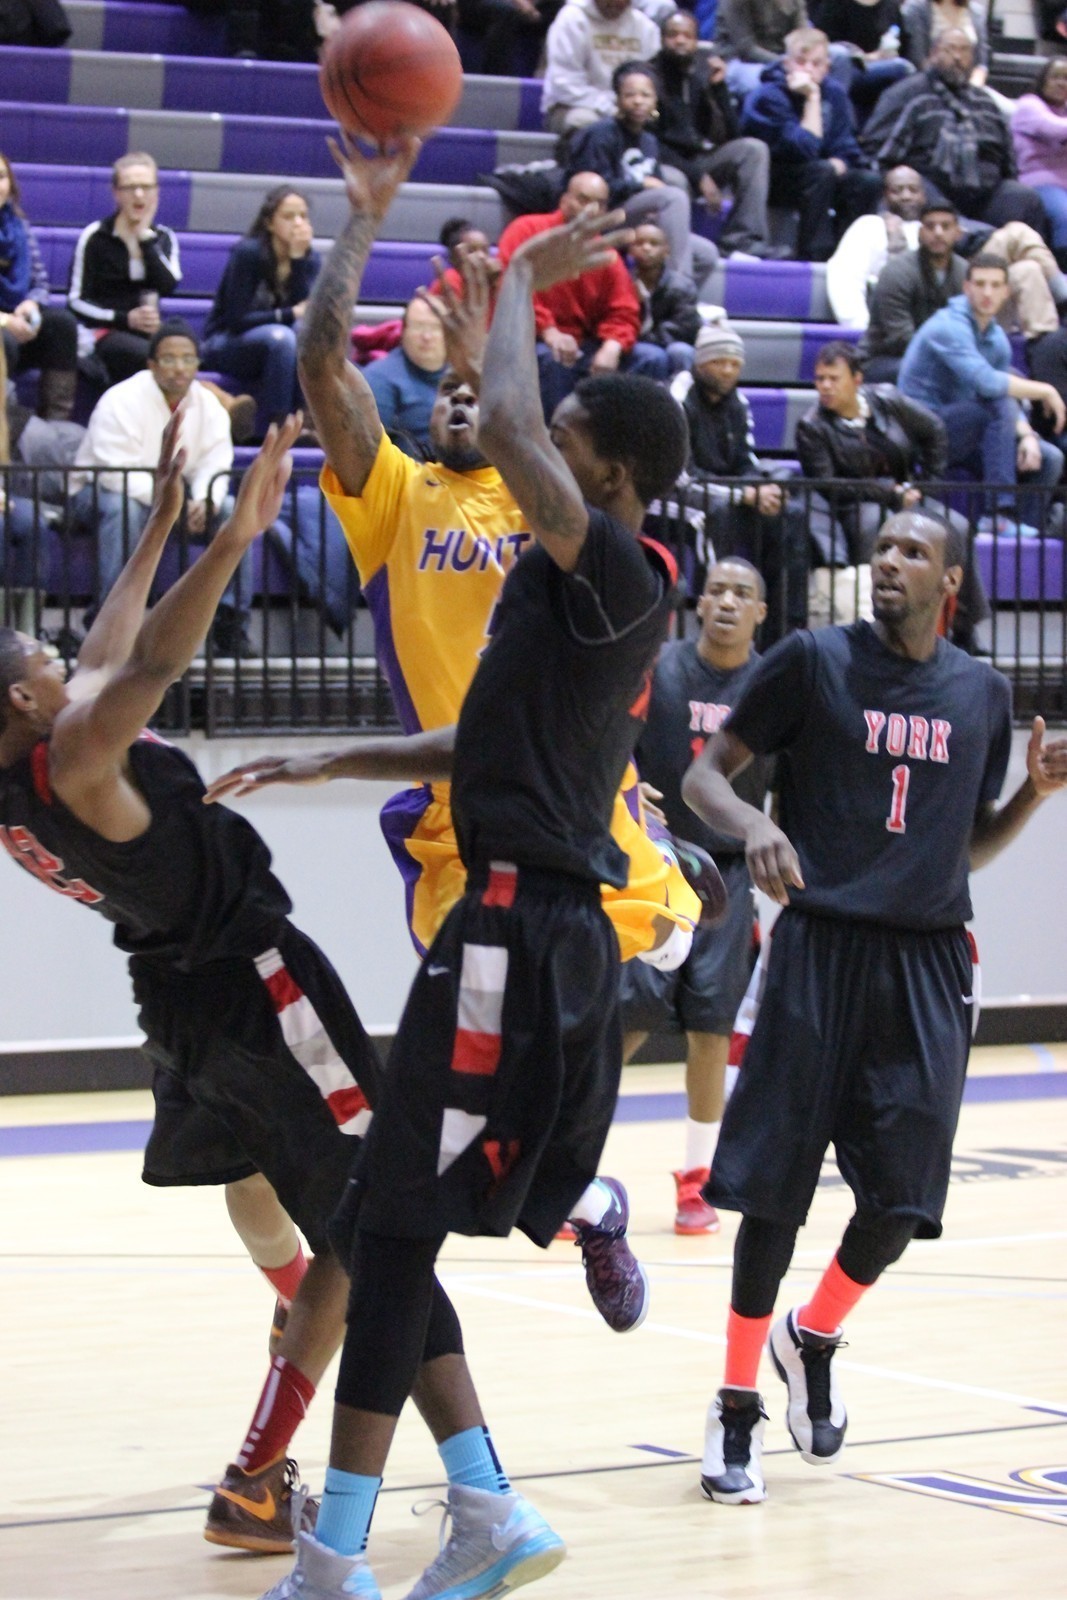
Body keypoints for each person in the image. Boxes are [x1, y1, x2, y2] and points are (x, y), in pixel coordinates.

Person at [250, 139, 693, 1600]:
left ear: (607, 477)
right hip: (508, 923)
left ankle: (345, 1549)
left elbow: (506, 414)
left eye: (563, 442)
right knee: (389, 1221)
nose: (528, 445)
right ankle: (455, 1516)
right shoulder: (553, 594)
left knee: (388, 1220)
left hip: (526, 929)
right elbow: (475, 745)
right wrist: (334, 762)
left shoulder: (617, 573)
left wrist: (506, 274)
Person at [0, 411, 391, 1554]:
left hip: (172, 997)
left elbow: (114, 648)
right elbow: (153, 664)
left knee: (253, 1174)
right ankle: (261, 1476)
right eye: (38, 660)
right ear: (28, 702)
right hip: (247, 975)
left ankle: (292, 1307)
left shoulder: (28, 771)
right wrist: (232, 544)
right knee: (368, 1209)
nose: (58, 655)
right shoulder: (75, 756)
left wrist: (166, 518)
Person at [681, 507, 1067, 1506]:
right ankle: (731, 1409)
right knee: (772, 1192)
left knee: (900, 1203)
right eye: (880, 546)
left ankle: (808, 1334)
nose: (885, 560)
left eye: (910, 552)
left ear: (947, 582)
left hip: (929, 963)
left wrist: (1028, 796)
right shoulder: (810, 660)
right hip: (816, 950)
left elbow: (961, 845)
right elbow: (699, 778)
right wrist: (749, 831)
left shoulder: (980, 690)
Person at [621, 558, 770, 1234]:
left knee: (711, 1028)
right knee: (625, 1021)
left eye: (743, 594)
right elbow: (611, 736)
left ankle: (697, 1179)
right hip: (656, 865)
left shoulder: (772, 684)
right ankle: (566, 1168)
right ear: (698, 602)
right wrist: (625, 788)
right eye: (717, 591)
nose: (728, 602)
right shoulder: (662, 668)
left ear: (760, 612)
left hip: (731, 874)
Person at [69, 319, 255, 656]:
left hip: (171, 499)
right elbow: (114, 472)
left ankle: (231, 625)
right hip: (97, 492)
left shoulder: (208, 404)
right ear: (151, 364)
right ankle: (107, 623)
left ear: (198, 365)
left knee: (230, 511)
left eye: (188, 359)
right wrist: (173, 502)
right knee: (122, 508)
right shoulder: (120, 399)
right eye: (169, 359)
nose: (179, 368)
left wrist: (205, 500)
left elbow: (215, 462)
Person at [796, 339, 990, 647]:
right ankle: (886, 629)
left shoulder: (887, 398)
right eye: (820, 379)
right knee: (881, 527)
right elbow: (828, 484)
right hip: (854, 507)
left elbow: (934, 430)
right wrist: (890, 494)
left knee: (959, 527)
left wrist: (927, 483)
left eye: (834, 378)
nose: (825, 386)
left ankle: (964, 626)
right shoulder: (812, 426)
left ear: (857, 379)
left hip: (908, 498)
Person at [898, 254, 1067, 536]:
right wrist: (1045, 390)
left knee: (1049, 458)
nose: (987, 292)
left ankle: (1020, 546)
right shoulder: (948, 326)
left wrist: (1026, 435)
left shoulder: (996, 338)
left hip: (966, 432)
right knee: (992, 406)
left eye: (995, 285)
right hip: (922, 436)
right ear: (966, 287)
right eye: (980, 284)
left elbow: (1003, 397)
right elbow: (989, 384)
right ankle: (999, 513)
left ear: (1006, 292)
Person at [671, 319, 810, 639]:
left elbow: (745, 463)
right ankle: (713, 627)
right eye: (719, 362)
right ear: (699, 362)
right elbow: (682, 477)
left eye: (735, 363)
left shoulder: (738, 402)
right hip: (672, 496)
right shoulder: (678, 397)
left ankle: (785, 633)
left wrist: (763, 489)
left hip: (723, 491)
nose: (728, 370)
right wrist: (744, 495)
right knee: (713, 514)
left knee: (791, 514)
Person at [497, 171, 673, 416]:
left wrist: (612, 347)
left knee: (652, 359)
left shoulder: (605, 253)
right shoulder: (526, 230)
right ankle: (553, 445)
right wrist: (549, 331)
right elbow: (511, 289)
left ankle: (627, 448)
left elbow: (624, 310)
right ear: (564, 200)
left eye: (599, 204)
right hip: (533, 341)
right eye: (583, 199)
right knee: (551, 359)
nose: (590, 209)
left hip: (583, 346)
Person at [860, 202, 1067, 390]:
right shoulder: (897, 273)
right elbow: (903, 339)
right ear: (920, 233)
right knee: (972, 379)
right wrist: (965, 362)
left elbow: (975, 327)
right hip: (888, 359)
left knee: (1010, 378)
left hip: (947, 356)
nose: (938, 233)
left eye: (945, 226)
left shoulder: (963, 272)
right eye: (931, 227)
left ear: (958, 233)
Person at [869, 31, 1048, 236]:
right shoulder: (906, 94)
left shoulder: (985, 101)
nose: (957, 57)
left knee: (1025, 198)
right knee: (921, 195)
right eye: (950, 49)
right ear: (933, 54)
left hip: (985, 190)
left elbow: (1007, 157)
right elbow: (878, 150)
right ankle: (976, 239)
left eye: (964, 51)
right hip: (931, 184)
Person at [740, 27, 883, 262]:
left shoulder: (835, 93)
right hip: (774, 178)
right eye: (801, 62)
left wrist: (842, 162)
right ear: (786, 64)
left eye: (816, 64)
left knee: (867, 182)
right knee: (821, 172)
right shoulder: (767, 96)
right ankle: (814, 255)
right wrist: (812, 99)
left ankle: (850, 256)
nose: (808, 69)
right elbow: (803, 148)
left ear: (827, 67)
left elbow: (847, 146)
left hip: (819, 172)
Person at [651, 11, 777, 259]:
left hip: (700, 160)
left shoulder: (700, 77)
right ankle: (677, 250)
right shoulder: (650, 77)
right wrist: (698, 176)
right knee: (674, 180)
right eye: (673, 35)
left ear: (697, 42)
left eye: (687, 36)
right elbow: (652, 144)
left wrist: (719, 88)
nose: (680, 41)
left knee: (753, 149)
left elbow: (733, 135)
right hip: (666, 164)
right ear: (662, 39)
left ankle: (742, 240)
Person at [563, 61, 702, 280]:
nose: (638, 101)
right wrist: (640, 186)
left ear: (655, 101)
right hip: (603, 218)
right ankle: (679, 287)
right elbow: (590, 189)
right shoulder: (601, 134)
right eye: (630, 95)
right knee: (673, 196)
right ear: (618, 100)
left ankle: (652, 298)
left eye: (645, 95)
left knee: (706, 255)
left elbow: (655, 185)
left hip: (636, 218)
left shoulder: (649, 141)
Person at [202, 186, 320, 438]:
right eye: (289, 217)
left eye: (303, 216)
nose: (298, 223)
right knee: (283, 337)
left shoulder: (310, 259)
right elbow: (236, 319)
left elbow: (303, 312)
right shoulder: (249, 254)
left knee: (302, 335)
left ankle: (304, 421)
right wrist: (286, 316)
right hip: (226, 343)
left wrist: (298, 260)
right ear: (269, 222)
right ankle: (277, 428)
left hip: (279, 351)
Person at [67, 152, 182, 389]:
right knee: (153, 358)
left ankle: (217, 408)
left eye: (146, 187)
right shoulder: (96, 237)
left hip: (149, 331)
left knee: (186, 352)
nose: (139, 194)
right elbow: (76, 301)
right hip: (105, 332)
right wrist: (124, 318)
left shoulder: (163, 237)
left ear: (156, 192)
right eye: (130, 187)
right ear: (116, 193)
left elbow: (168, 285)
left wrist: (145, 239)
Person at [0, 150, 79, 422]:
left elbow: (40, 283)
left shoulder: (19, 226)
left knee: (62, 326)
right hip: (3, 328)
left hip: (17, 319)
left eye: (0, 177)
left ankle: (54, 424)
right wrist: (6, 321)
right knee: (3, 341)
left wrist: (30, 304)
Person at [826, 163, 925, 329]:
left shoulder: (935, 231)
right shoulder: (869, 226)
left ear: (923, 195)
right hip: (883, 328)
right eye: (897, 190)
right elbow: (845, 278)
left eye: (913, 190)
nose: (906, 196)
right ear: (885, 196)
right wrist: (861, 328)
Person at [541, 0, 660, 135]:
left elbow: (651, 78)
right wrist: (613, 109)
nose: (617, 3)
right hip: (574, 106)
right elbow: (564, 85)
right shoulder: (572, 18)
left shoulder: (645, 27)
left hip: (629, 106)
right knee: (587, 123)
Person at [362, 294, 448, 455]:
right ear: (403, 331)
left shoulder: (465, 375)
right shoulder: (377, 379)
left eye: (435, 328)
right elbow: (370, 453)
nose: (427, 337)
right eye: (419, 327)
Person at [808, 0, 913, 121]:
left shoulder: (890, 6)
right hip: (845, 68)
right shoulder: (834, 4)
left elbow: (904, 45)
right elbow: (826, 47)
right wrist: (870, 57)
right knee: (900, 68)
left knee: (904, 69)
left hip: (882, 67)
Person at [1012, 58, 1067, 270]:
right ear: (1043, 80)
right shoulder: (1029, 106)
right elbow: (1052, 129)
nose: (1062, 83)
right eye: (1056, 77)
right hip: (1038, 182)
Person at [629, 220, 701, 373]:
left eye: (654, 244)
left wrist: (646, 338)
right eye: (639, 243)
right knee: (649, 355)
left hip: (668, 343)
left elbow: (683, 329)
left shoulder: (682, 286)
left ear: (666, 250)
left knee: (681, 352)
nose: (646, 248)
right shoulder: (622, 282)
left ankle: (681, 396)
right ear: (630, 250)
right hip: (634, 343)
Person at [714, 0, 809, 98]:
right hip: (738, 60)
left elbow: (803, 36)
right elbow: (746, 49)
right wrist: (786, 63)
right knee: (765, 84)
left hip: (782, 57)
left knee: (823, 54)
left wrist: (803, 59)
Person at [899, 0, 989, 81]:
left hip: (969, 84)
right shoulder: (917, 9)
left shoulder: (976, 12)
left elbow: (981, 64)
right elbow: (918, 58)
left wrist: (974, 85)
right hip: (928, 82)